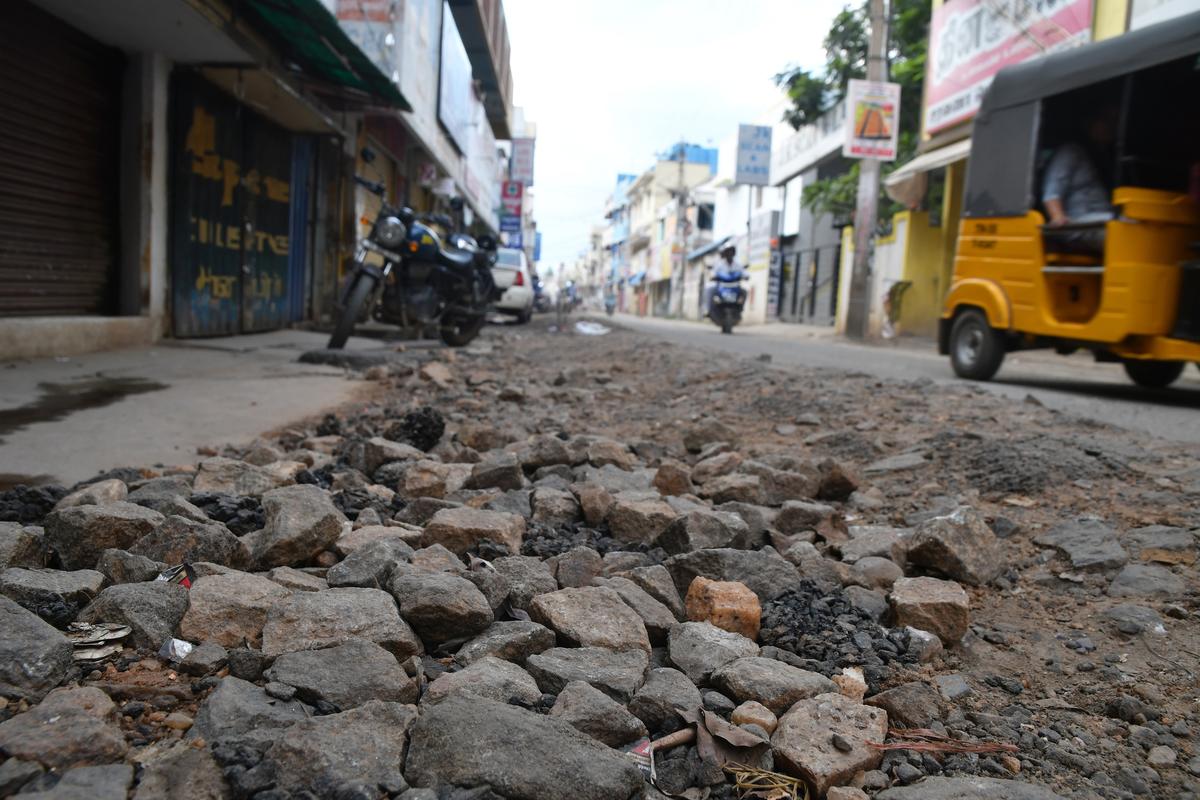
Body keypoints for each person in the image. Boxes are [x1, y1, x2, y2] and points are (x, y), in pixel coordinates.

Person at [1041, 105, 1119, 255]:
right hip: (1079, 223)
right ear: (1091, 123)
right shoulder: (1071, 152)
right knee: (1128, 231)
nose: (1112, 126)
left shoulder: (1105, 156)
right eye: (1107, 120)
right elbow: (1051, 193)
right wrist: (1058, 217)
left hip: (1102, 219)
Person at [703, 245, 739, 317]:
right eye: (728, 252)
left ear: (734, 253)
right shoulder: (720, 264)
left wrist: (745, 276)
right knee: (709, 290)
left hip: (734, 286)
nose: (729, 254)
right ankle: (707, 310)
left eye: (731, 252)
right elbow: (713, 272)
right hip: (721, 285)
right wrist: (713, 276)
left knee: (744, 292)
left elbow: (743, 272)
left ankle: (739, 309)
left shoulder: (737, 264)